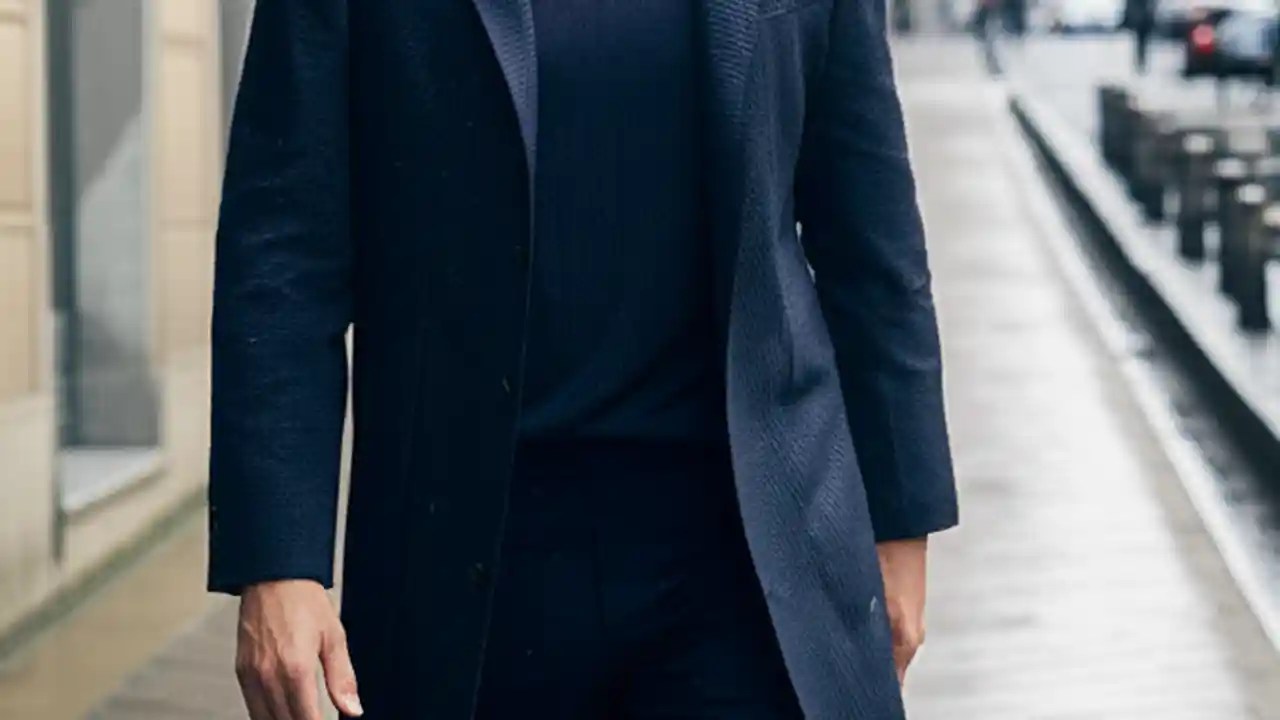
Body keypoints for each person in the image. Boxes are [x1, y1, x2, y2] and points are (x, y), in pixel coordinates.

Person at [208, 0, 959, 718]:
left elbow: (871, 234)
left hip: (751, 561)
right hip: (467, 565)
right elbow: (283, 247)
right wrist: (278, 562)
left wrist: (901, 524)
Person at [1124, 0, 1156, 73]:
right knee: (1142, 43)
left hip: (1141, 21)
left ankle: (1140, 62)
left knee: (1141, 43)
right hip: (1143, 21)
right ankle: (1141, 62)